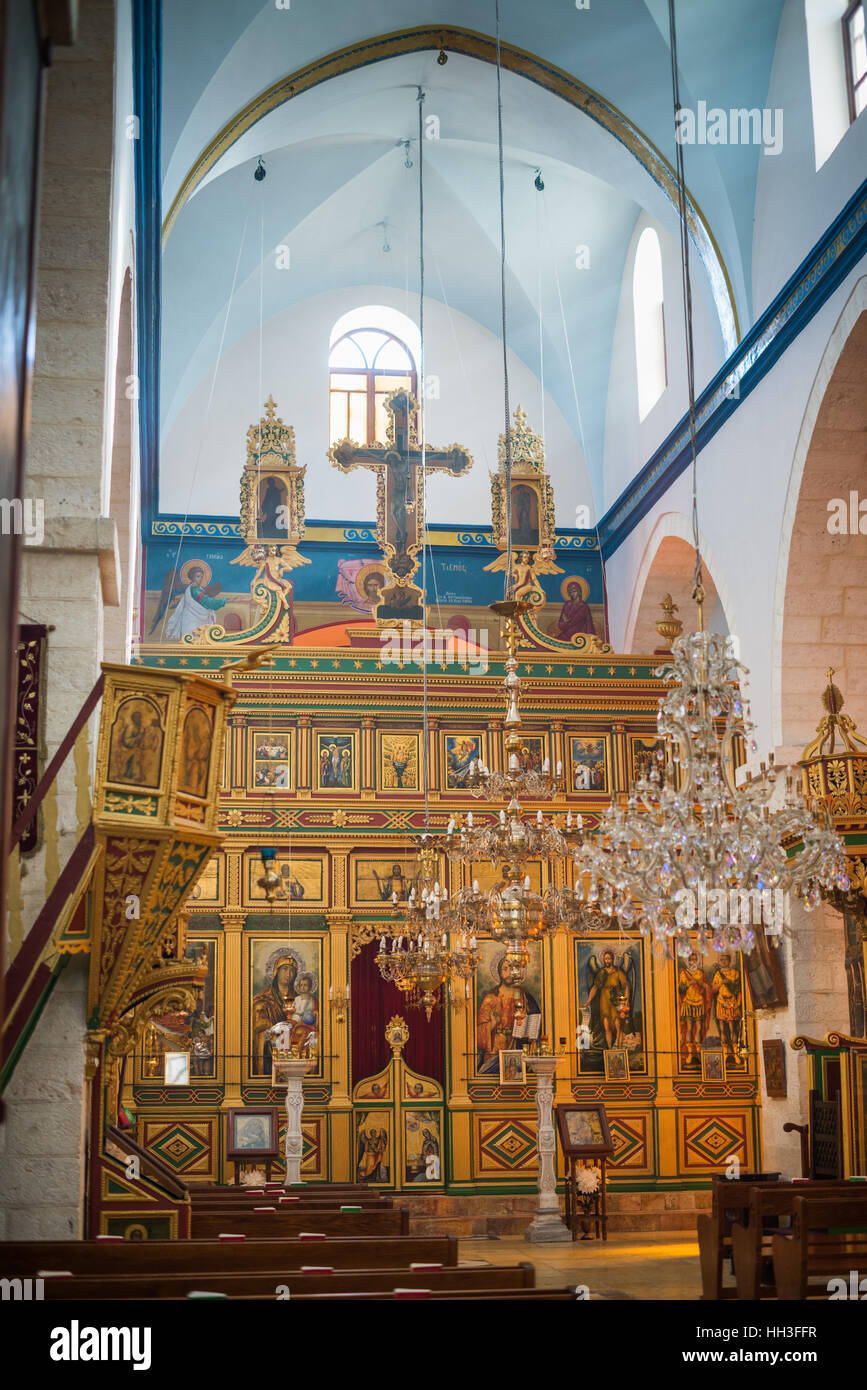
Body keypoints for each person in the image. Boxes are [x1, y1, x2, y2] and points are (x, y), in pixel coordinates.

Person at [477, 957, 541, 1072]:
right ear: (499, 973)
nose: (509, 973)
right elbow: (480, 1032)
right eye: (505, 969)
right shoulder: (491, 998)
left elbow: (535, 1024)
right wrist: (493, 1024)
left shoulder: (525, 997)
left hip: (519, 1045)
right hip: (496, 1048)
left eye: (512, 969)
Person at [252, 952, 299, 1073]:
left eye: (292, 971)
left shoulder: (299, 998)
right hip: (271, 1044)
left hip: (294, 1042)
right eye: (285, 969)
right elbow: (258, 1026)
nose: (288, 974)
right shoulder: (263, 998)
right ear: (276, 971)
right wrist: (271, 1030)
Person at [585, 949, 631, 1050]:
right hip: (604, 1002)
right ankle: (609, 1050)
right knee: (606, 1027)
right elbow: (595, 987)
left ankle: (619, 1049)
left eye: (609, 958)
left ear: (612, 959)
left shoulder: (618, 971)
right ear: (603, 959)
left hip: (615, 1002)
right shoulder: (601, 972)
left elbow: (626, 985)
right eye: (605, 959)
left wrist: (625, 1002)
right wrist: (588, 1001)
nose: (607, 961)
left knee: (618, 1027)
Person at [165, 565, 226, 640]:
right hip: (191, 622)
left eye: (201, 576)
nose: (200, 579)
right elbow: (208, 602)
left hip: (194, 621)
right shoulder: (194, 590)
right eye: (198, 576)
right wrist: (224, 601)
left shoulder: (197, 589)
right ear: (192, 577)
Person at [678, 953, 712, 1066]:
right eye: (691, 960)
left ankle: (697, 1052)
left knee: (698, 1027)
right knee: (688, 1028)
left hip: (699, 1002)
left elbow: (707, 987)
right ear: (688, 962)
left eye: (694, 960)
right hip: (688, 1002)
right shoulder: (684, 973)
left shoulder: (700, 973)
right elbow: (680, 989)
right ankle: (689, 1054)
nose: (692, 962)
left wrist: (698, 983)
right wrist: (688, 983)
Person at [711, 953, 743, 1061]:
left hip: (732, 1002)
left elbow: (738, 989)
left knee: (732, 1028)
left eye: (726, 960)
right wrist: (721, 983)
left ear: (729, 961)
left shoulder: (735, 973)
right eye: (722, 960)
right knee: (722, 1029)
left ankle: (735, 1052)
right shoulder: (718, 974)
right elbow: (713, 989)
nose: (724, 962)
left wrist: (738, 1003)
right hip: (721, 1002)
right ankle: (725, 1052)